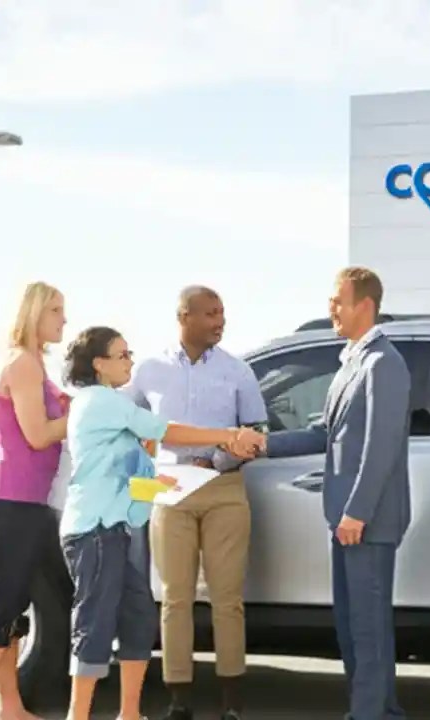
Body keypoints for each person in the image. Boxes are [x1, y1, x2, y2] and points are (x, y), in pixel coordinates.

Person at [59, 325, 265, 720]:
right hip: (94, 532)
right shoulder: (99, 401)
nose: (130, 361)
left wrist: (156, 483)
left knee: (139, 618)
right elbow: (163, 428)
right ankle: (77, 715)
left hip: (116, 530)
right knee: (95, 623)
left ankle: (130, 713)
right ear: (99, 364)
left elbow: (119, 470)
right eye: (122, 355)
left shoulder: (110, 403)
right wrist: (225, 435)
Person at [250, 267, 411, 720]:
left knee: (368, 629)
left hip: (367, 520)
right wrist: (262, 443)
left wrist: (357, 511)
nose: (331, 310)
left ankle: (369, 714)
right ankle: (376, 712)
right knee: (352, 627)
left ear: (365, 305)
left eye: (337, 301)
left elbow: (380, 446)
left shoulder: (384, 363)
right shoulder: (352, 363)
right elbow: (326, 432)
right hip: (345, 518)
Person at [123, 285, 267, 720]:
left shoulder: (238, 371)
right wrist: (142, 475)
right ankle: (179, 701)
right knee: (175, 598)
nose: (220, 321)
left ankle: (232, 704)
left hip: (224, 488)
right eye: (210, 313)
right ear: (184, 315)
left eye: (222, 312)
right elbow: (125, 424)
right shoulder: (149, 370)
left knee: (227, 598)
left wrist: (216, 458)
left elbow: (256, 430)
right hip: (170, 490)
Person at [0, 281, 70, 720]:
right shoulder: (23, 363)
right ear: (34, 314)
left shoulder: (20, 360)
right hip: (15, 496)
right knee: (5, 605)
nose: (64, 319)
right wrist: (85, 414)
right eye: (56, 311)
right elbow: (39, 433)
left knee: (15, 602)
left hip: (20, 495)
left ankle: (11, 707)